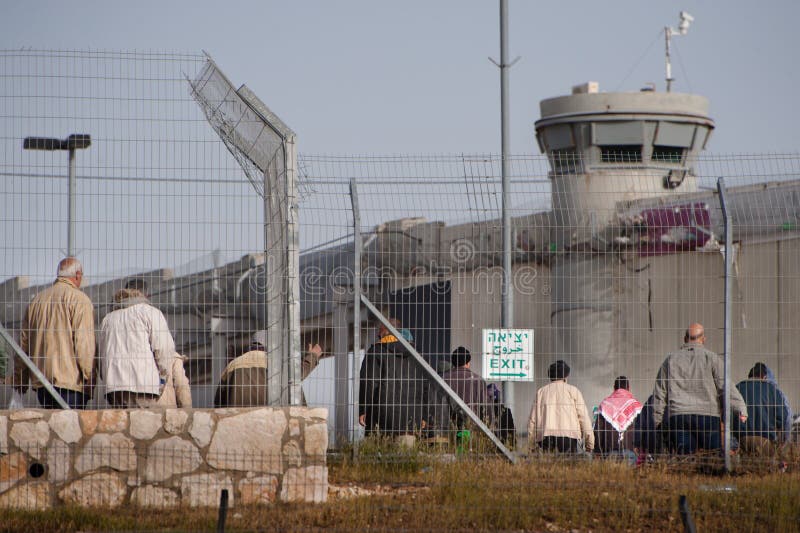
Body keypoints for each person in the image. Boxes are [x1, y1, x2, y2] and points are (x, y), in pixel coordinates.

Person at [652, 323, 748, 454]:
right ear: (703, 339)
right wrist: (740, 408)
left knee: (685, 458)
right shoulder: (712, 358)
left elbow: (660, 393)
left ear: (685, 339)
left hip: (679, 415)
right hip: (708, 416)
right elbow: (726, 387)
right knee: (711, 457)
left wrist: (657, 421)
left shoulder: (670, 360)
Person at [15, 257, 96, 409]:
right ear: (78, 275)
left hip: (42, 382)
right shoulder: (80, 300)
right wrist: (90, 378)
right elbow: (84, 344)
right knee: (71, 423)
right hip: (71, 383)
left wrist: (20, 378)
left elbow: (23, 344)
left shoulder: (36, 301)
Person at [99, 286, 177, 408]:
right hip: (144, 386)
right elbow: (164, 349)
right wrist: (162, 378)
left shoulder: (107, 320)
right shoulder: (150, 312)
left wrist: (106, 379)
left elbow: (101, 356)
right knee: (144, 420)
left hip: (114, 388)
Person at [358, 319, 433, 435]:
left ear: (385, 331)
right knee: (407, 446)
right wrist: (424, 415)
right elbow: (426, 387)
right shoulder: (419, 355)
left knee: (381, 446)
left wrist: (363, 409)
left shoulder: (376, 352)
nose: (378, 336)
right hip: (413, 417)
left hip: (382, 418)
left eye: (379, 333)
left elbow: (368, 383)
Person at [214, 330, 322, 407]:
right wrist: (313, 356)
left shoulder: (233, 364)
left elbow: (219, 401)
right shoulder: (277, 363)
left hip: (239, 419)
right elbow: (297, 375)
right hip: (273, 417)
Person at [527, 360, 594, 454]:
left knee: (548, 463)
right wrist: (589, 443)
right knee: (568, 463)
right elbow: (584, 418)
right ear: (566, 375)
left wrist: (531, 445)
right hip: (569, 437)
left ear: (550, 375)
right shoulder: (573, 391)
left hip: (546, 437)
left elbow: (532, 420)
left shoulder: (541, 392)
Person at [733, 362, 790, 455]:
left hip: (742, 438)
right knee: (764, 463)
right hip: (765, 439)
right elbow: (783, 416)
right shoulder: (772, 390)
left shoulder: (738, 388)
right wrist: (775, 428)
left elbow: (729, 414)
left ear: (749, 376)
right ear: (764, 377)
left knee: (746, 462)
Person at [442, 347, 494, 429]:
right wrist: (489, 425)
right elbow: (485, 406)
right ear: (468, 362)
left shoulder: (443, 378)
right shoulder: (478, 380)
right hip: (472, 426)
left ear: (453, 362)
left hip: (448, 426)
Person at [594, 376, 642, 458]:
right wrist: (640, 448)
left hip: (609, 451)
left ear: (614, 388)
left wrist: (598, 451)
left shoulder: (605, 404)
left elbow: (598, 430)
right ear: (628, 388)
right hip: (631, 449)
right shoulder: (636, 405)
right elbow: (642, 428)